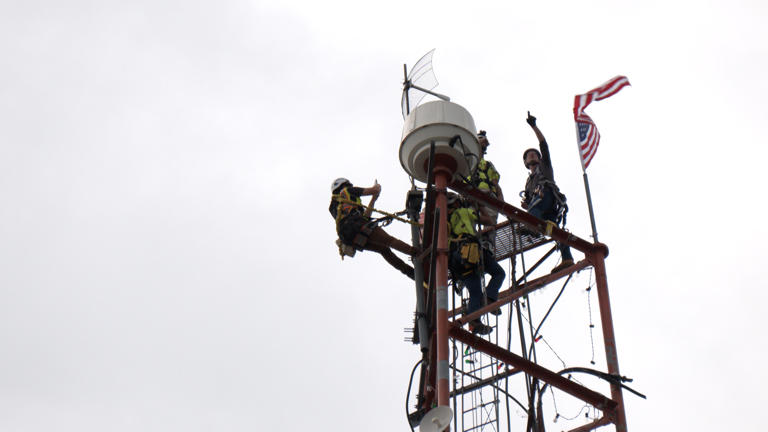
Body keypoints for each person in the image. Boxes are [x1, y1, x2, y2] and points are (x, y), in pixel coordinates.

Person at [330, 178, 417, 279]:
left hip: (349, 237)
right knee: (389, 240)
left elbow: (365, 217)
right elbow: (374, 190)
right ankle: (416, 253)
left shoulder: (338, 205)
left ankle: (411, 273)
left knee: (383, 249)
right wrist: (377, 187)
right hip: (357, 225)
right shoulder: (346, 191)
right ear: (345, 185)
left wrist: (373, 199)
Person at [521, 112, 574, 273]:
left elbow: (544, 145)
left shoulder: (545, 167)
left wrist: (534, 126)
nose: (532, 155)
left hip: (548, 196)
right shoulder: (529, 182)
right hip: (544, 209)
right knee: (555, 229)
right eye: (528, 155)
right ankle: (567, 258)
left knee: (535, 206)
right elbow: (531, 203)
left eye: (534, 154)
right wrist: (526, 206)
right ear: (525, 162)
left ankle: (533, 228)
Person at [447, 192, 506, 335]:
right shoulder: (464, 212)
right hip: (471, 251)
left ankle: (474, 322)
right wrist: (479, 206)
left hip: (456, 261)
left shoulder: (444, 219)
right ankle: (491, 298)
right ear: (456, 203)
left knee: (475, 293)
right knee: (499, 273)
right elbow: (490, 221)